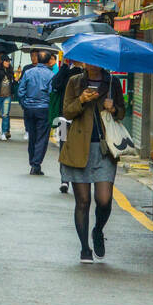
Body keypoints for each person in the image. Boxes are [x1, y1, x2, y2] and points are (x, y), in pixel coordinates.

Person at [59, 61, 126, 263]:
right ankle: (84, 248)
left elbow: (123, 112)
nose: (93, 65)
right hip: (79, 147)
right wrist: (81, 100)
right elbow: (67, 112)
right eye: (89, 61)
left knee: (104, 200)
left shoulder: (112, 82)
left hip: (105, 149)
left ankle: (98, 230)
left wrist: (113, 108)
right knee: (83, 201)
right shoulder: (74, 82)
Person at [17, 50, 54, 175]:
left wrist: (24, 104)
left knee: (32, 136)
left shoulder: (28, 72)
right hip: (44, 108)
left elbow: (20, 90)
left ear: (37, 59)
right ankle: (36, 164)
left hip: (29, 108)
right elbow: (51, 93)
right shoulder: (50, 75)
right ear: (49, 61)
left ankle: (32, 161)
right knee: (42, 138)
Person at [49, 61, 80, 193]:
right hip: (63, 118)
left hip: (79, 119)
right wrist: (64, 67)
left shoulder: (85, 72)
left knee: (77, 148)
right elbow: (55, 84)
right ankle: (64, 180)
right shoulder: (65, 71)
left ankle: (77, 180)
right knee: (63, 147)